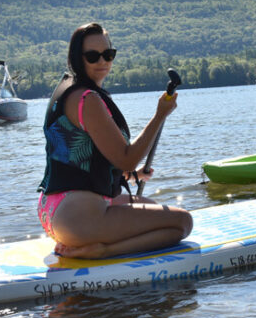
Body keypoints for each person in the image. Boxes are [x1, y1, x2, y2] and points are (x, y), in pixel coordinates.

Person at [37, 22, 193, 259]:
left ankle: (88, 242)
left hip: (55, 210)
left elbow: (85, 158)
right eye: (93, 56)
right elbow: (127, 158)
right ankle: (100, 250)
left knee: (150, 205)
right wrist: (160, 114)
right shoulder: (87, 99)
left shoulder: (70, 88)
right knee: (182, 222)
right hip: (76, 219)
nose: (102, 62)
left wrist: (131, 176)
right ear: (77, 58)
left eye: (108, 54)